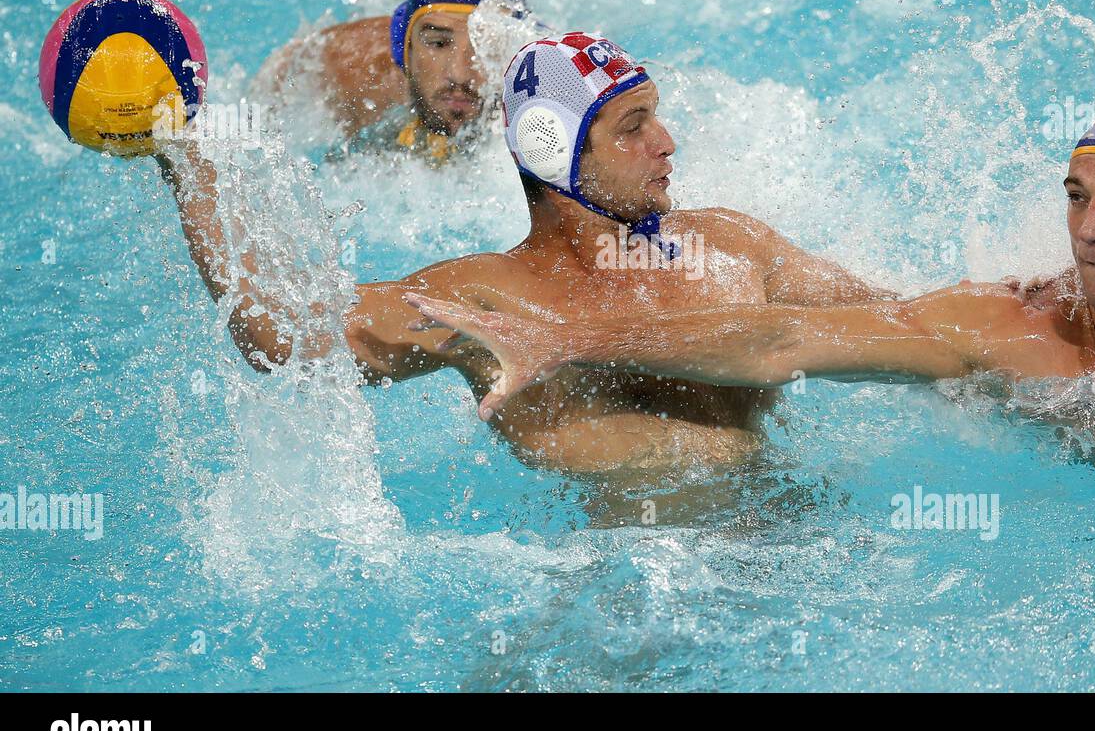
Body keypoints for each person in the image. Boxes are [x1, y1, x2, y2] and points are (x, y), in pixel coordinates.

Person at [160, 32, 894, 470]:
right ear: (552, 147)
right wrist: (185, 159)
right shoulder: (487, 302)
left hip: (801, 553)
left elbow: (898, 322)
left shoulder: (731, 246)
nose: (666, 143)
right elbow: (279, 336)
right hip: (632, 599)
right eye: (633, 127)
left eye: (658, 119)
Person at [405, 108, 1095, 428]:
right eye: (1075, 196)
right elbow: (783, 337)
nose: (1089, 228)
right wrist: (564, 336)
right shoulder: (1018, 326)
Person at [256, 0, 526, 161]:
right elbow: (276, 80)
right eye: (437, 44)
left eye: (486, 46)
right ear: (403, 48)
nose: (458, 73)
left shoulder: (544, 104)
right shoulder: (355, 69)